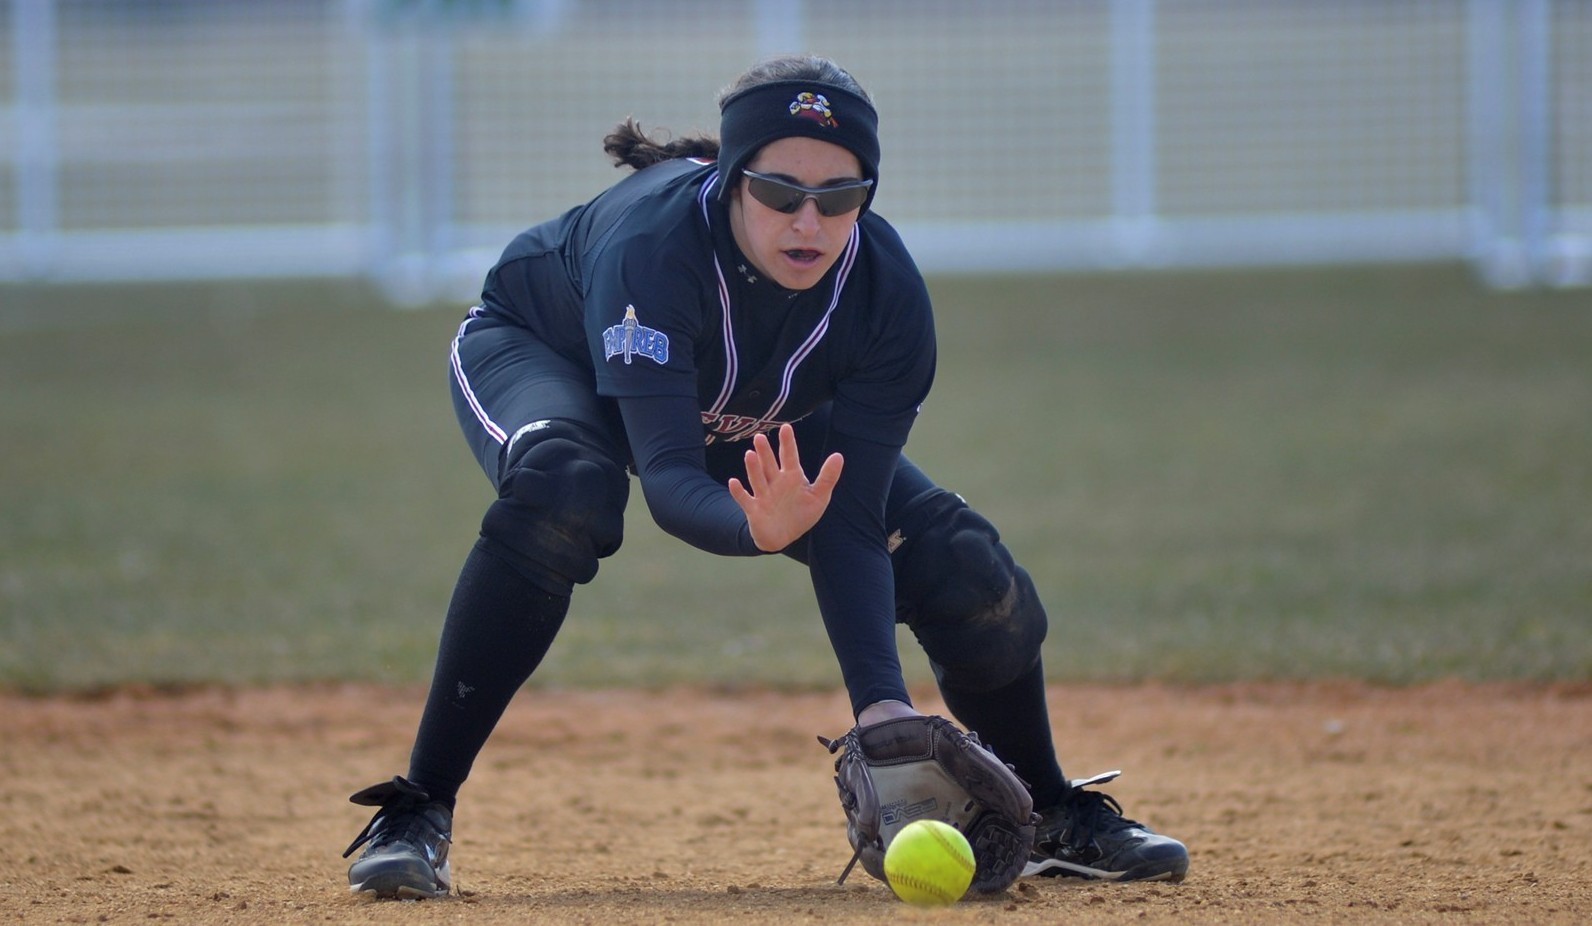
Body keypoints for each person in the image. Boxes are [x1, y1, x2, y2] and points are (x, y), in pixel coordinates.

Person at [340, 53, 1188, 899]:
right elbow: (670, 473)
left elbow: (853, 520)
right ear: (731, 177)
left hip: (735, 406)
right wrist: (755, 528)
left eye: (840, 197)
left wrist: (882, 705)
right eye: (780, 193)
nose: (808, 223)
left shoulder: (885, 295)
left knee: (957, 562)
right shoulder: (654, 251)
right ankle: (417, 809)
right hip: (545, 353)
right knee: (566, 487)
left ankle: (1051, 815)